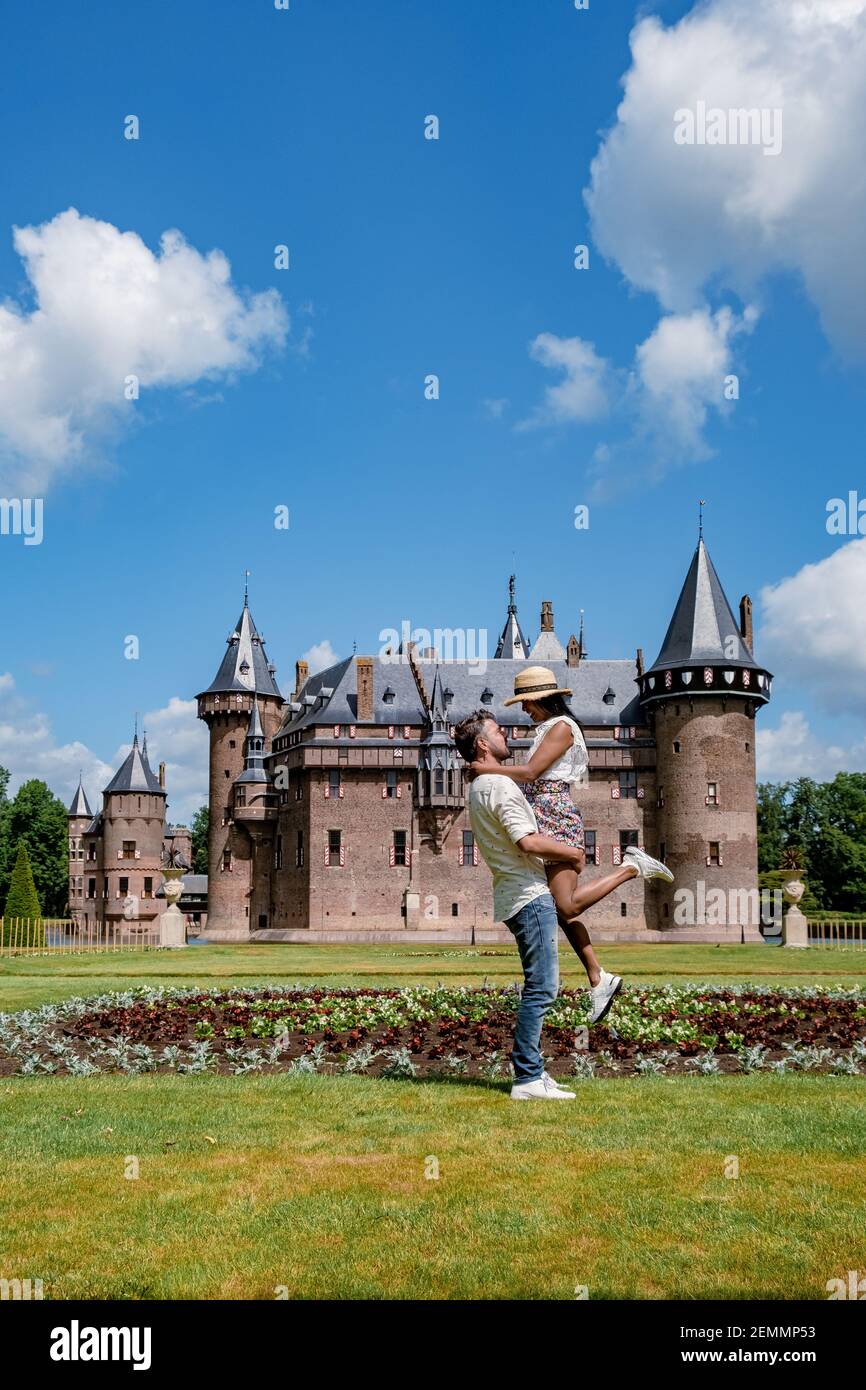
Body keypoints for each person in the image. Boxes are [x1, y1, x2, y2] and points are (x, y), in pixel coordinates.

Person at [467, 666, 673, 1022]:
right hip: (542, 811)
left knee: (568, 906)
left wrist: (485, 770)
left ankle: (630, 866)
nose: (524, 711)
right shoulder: (548, 729)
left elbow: (532, 774)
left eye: (526, 703)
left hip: (554, 814)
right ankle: (598, 976)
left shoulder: (562, 728)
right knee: (559, 910)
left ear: (539, 698)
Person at [454, 708, 580, 1100]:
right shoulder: (500, 787)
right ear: (482, 744)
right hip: (529, 894)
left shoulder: (479, 787)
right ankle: (527, 1077)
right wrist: (572, 853)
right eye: (496, 730)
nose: (505, 733)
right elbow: (527, 841)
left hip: (513, 894)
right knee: (542, 988)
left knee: (540, 986)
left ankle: (534, 1074)